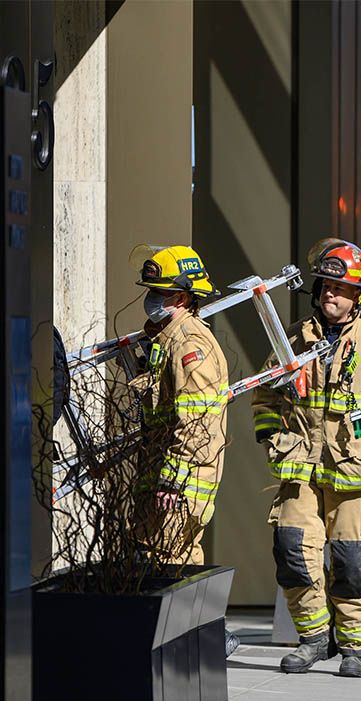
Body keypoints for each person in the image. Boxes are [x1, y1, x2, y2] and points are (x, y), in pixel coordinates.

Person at [252, 238, 361, 679]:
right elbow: (265, 393)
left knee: (351, 561)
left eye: (340, 287)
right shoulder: (293, 338)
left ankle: (355, 649)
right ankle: (312, 640)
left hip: (356, 474)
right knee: (292, 550)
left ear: (358, 295)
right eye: (325, 285)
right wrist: (271, 434)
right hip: (301, 470)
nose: (330, 293)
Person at [129, 244, 239, 657]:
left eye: (158, 292)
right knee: (172, 558)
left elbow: (198, 422)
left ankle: (207, 637)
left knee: (171, 559)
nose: (150, 299)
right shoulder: (163, 339)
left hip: (183, 476)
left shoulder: (191, 343)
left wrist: (173, 479)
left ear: (180, 297)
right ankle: (202, 638)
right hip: (164, 472)